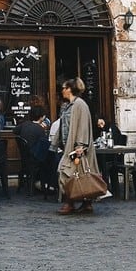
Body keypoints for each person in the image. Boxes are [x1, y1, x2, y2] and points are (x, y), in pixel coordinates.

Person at [53, 77, 100, 214]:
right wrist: (56, 143)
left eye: (64, 88)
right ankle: (85, 203)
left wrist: (80, 145)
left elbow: (83, 125)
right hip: (68, 146)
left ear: (69, 89)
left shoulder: (80, 105)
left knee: (66, 172)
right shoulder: (67, 105)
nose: (62, 91)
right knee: (77, 174)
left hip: (77, 148)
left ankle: (71, 202)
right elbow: (63, 125)